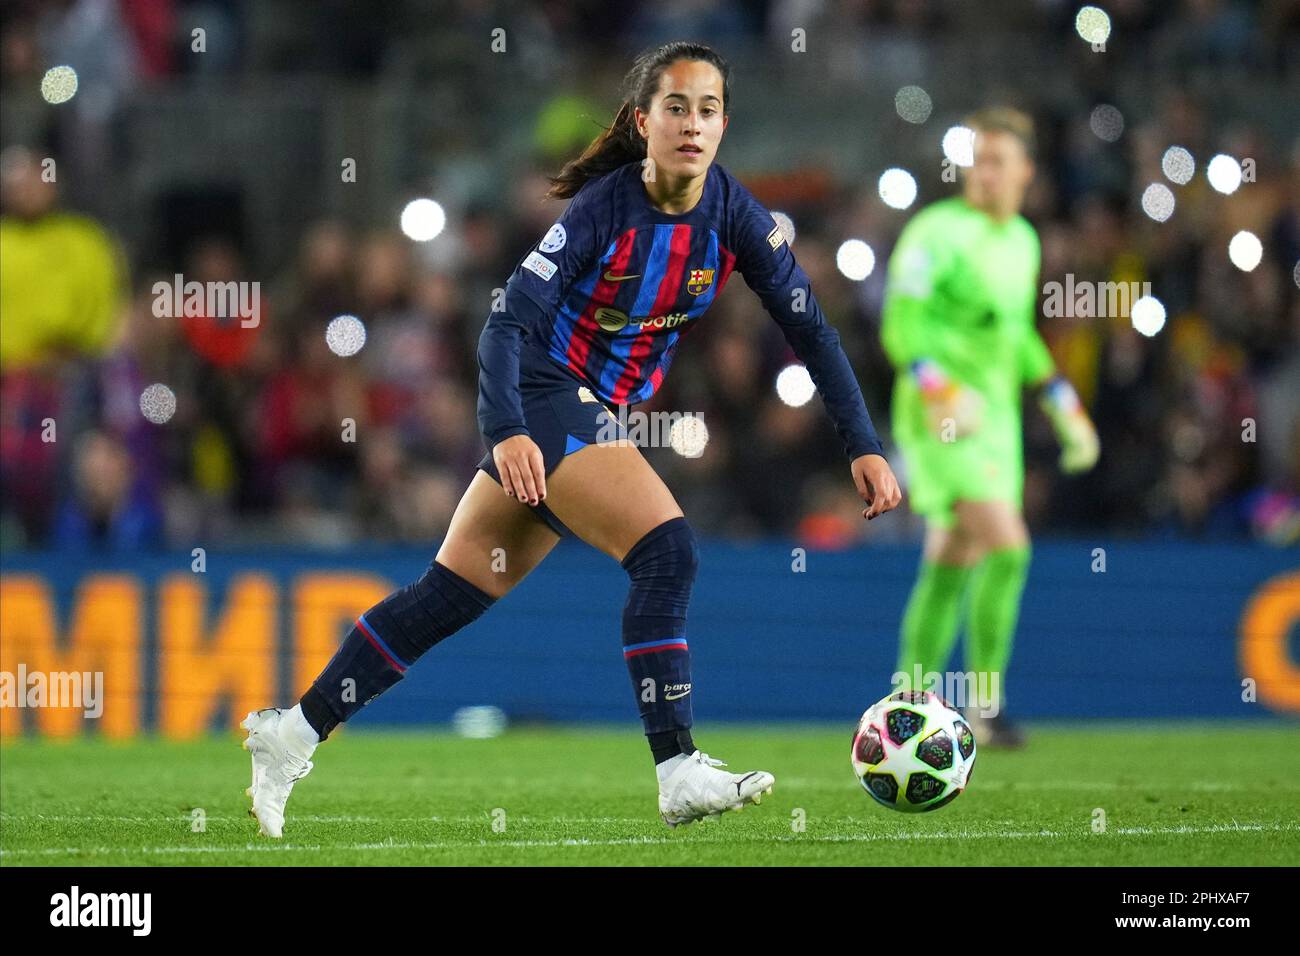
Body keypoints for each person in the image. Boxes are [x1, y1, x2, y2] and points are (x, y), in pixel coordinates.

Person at [241, 41, 900, 837]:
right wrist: (508, 429)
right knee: (668, 552)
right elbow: (506, 323)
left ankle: (292, 733)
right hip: (548, 398)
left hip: (590, 413)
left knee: (447, 597)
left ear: (726, 124)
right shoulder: (604, 210)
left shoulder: (735, 216)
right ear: (643, 120)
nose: (693, 124)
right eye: (676, 108)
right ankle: (678, 767)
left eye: (709, 109)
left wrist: (861, 441)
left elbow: (813, 332)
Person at [881, 107, 1100, 747]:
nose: (984, 172)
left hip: (997, 421)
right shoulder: (935, 232)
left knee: (951, 559)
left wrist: (1063, 403)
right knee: (1009, 546)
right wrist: (939, 389)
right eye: (976, 159)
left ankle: (907, 699)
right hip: (942, 419)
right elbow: (901, 325)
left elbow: (1016, 336)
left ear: (1027, 171)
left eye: (998, 160)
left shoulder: (1024, 241)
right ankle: (986, 704)